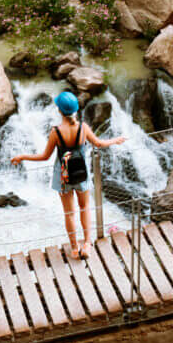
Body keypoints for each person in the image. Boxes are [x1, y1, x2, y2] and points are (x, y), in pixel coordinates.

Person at [10, 91, 125, 260]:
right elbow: (99, 143)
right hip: (81, 173)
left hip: (63, 175)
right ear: (76, 110)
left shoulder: (56, 132)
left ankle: (74, 248)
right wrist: (116, 140)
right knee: (84, 207)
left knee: (69, 213)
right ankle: (87, 243)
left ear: (59, 111)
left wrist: (22, 156)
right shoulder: (83, 128)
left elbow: (44, 156)